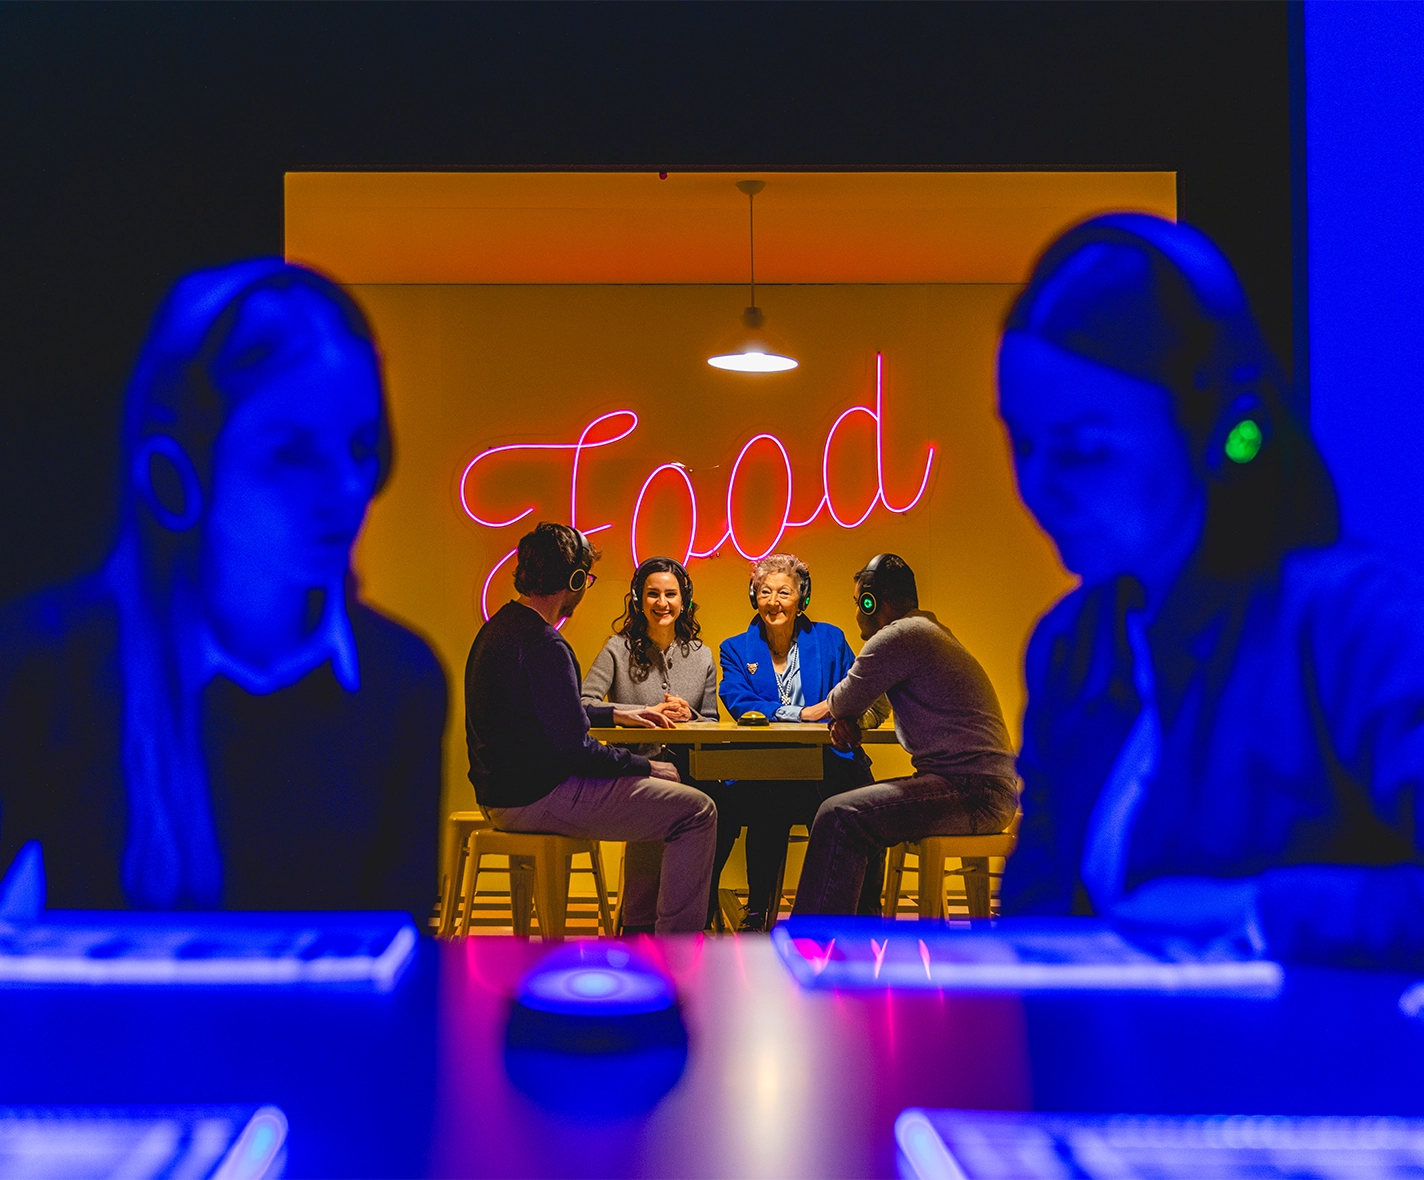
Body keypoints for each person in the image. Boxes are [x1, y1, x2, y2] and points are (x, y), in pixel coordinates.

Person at [996, 213, 1424, 968]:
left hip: (1319, 1082)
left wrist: (1264, 911)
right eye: (1022, 445)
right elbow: (1040, 922)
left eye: (1084, 451)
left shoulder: (1353, 621)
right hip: (1117, 1079)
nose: (1038, 488)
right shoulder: (1071, 646)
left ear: (1226, 429)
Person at [0, 260, 446, 919]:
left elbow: (395, 956)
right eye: (292, 454)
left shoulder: (402, 680)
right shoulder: (46, 663)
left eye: (361, 447)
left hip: (325, 1030)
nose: (348, 490)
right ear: (178, 471)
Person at [465, 523, 717, 934]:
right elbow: (576, 751)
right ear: (576, 579)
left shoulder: (499, 630)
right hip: (538, 796)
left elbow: (552, 712)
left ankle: (639, 931)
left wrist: (618, 714)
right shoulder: (546, 644)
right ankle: (677, 951)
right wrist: (644, 766)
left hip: (501, 793)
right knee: (696, 810)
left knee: (669, 803)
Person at [792, 554, 1019, 915]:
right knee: (854, 811)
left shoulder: (900, 635)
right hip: (980, 787)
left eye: (858, 603)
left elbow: (842, 699)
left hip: (973, 792)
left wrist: (840, 715)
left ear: (871, 602)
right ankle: (855, 937)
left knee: (838, 815)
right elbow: (870, 705)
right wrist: (853, 721)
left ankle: (814, 948)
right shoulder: (923, 631)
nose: (856, 613)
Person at [718, 552, 889, 931]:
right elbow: (738, 700)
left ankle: (863, 914)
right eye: (765, 592)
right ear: (753, 597)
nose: (774, 601)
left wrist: (847, 718)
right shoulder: (734, 648)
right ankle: (758, 910)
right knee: (766, 801)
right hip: (766, 767)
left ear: (802, 599)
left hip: (830, 763)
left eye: (784, 592)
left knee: (860, 802)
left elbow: (863, 696)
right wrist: (802, 713)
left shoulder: (830, 640)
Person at [581, 555, 718, 932]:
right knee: (659, 799)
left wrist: (691, 716)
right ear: (638, 600)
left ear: (684, 600)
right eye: (653, 594)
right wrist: (638, 711)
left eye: (671, 594)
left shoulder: (702, 655)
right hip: (631, 769)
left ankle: (682, 930)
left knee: (720, 804)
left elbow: (713, 723)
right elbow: (584, 705)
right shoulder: (616, 648)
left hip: (689, 770)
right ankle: (639, 927)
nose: (662, 603)